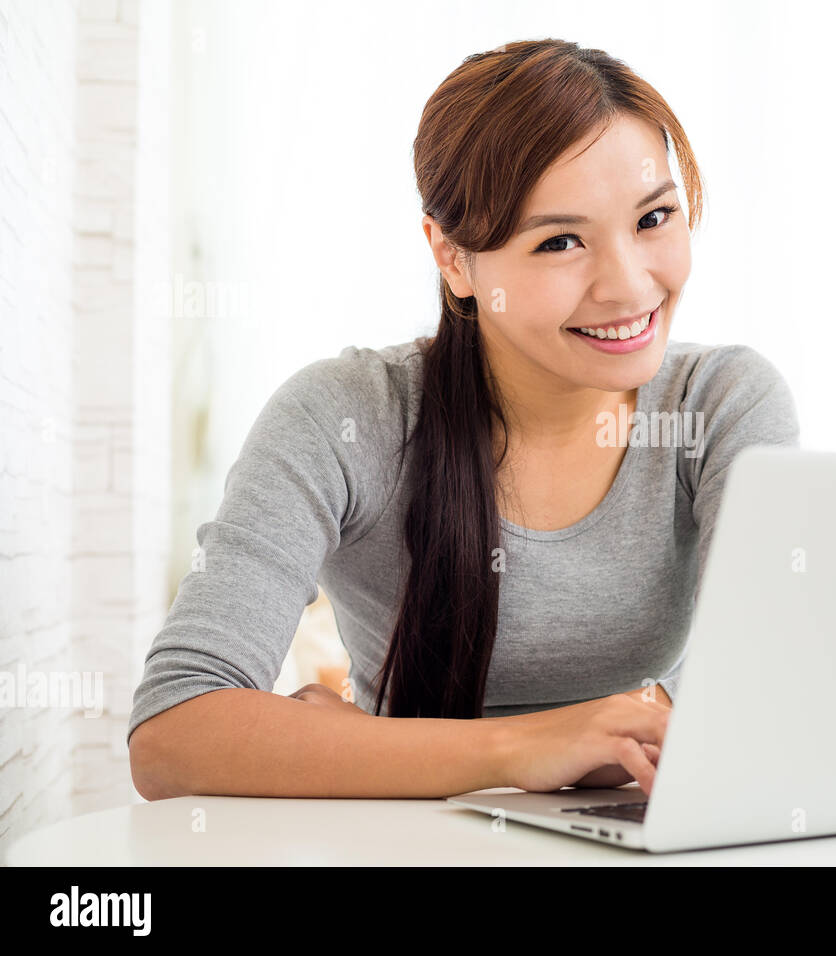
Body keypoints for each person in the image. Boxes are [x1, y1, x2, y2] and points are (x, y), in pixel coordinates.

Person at [127, 38, 799, 801]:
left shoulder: (721, 403)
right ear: (452, 258)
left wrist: (362, 738)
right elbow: (172, 733)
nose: (628, 285)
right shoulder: (346, 417)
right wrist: (526, 748)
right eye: (560, 241)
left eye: (654, 218)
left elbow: (762, 702)